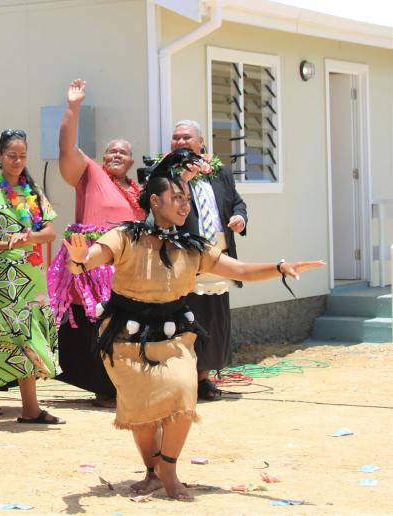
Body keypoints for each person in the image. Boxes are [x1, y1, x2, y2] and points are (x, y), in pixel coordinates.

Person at [63, 149, 322, 500]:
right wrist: (79, 259)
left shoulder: (192, 247)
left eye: (187, 199)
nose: (185, 205)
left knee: (184, 394)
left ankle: (168, 469)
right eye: (177, 198)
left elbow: (240, 270)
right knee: (142, 415)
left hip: (175, 335)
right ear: (155, 201)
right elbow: (89, 259)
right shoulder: (125, 236)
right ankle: (153, 471)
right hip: (126, 337)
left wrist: (280, 268)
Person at [0, 129, 63, 433]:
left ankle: (31, 409)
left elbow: (50, 233)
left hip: (33, 277)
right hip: (4, 280)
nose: (17, 161)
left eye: (22, 156)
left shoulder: (32, 192)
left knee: (27, 337)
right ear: (0, 156)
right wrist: (7, 244)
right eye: (11, 155)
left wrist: (29, 238)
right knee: (0, 338)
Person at [50, 79, 145, 408]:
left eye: (123, 153)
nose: (117, 155)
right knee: (92, 324)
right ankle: (103, 387)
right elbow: (67, 148)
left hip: (124, 270)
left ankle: (122, 385)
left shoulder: (138, 193)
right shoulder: (90, 174)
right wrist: (72, 107)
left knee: (122, 327)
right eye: (111, 151)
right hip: (89, 266)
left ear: (130, 162)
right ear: (103, 158)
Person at [168, 120, 247, 401]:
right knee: (183, 321)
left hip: (219, 258)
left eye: (186, 137)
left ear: (201, 142)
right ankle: (181, 379)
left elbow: (236, 202)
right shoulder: (164, 173)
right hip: (184, 259)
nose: (180, 141)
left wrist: (239, 217)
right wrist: (181, 178)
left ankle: (203, 379)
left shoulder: (220, 171)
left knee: (213, 321)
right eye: (176, 137)